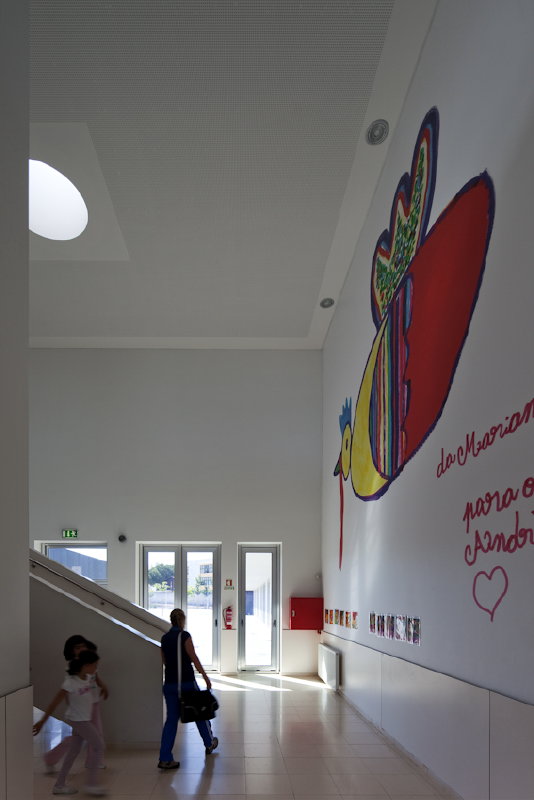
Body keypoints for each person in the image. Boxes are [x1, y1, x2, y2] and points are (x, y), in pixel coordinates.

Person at [33, 650, 107, 796]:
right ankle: (91, 784)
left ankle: (59, 785)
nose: (96, 668)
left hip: (83, 719)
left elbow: (91, 690)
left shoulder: (88, 677)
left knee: (73, 752)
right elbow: (55, 702)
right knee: (98, 745)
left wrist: (103, 687)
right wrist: (42, 721)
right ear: (86, 665)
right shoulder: (70, 682)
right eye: (94, 665)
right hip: (78, 721)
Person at [158, 607, 218, 769]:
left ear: (171, 621)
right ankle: (209, 742)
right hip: (186, 683)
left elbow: (164, 661)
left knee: (171, 720)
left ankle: (165, 758)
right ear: (182, 621)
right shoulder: (184, 636)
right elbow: (193, 658)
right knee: (199, 713)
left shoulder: (164, 638)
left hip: (169, 684)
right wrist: (205, 676)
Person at [42, 636, 108, 772]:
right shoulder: (72, 668)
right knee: (77, 739)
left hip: (92, 704)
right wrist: (73, 707)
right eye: (77, 648)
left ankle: (92, 761)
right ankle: (50, 758)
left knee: (95, 734)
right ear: (71, 651)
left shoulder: (90, 661)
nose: (81, 649)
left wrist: (104, 687)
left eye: (83, 646)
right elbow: (68, 691)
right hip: (80, 711)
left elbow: (96, 677)